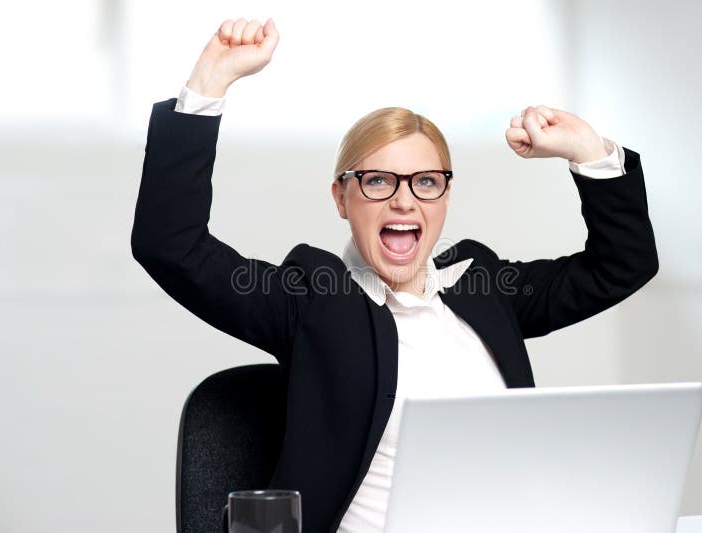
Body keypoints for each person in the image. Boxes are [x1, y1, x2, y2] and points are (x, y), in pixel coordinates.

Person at [130, 17, 659, 533]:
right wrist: (209, 85)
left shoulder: (480, 286)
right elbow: (172, 246)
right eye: (379, 180)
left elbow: (621, 264)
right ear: (342, 198)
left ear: (445, 196)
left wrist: (589, 152)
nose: (405, 200)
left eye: (426, 181)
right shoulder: (313, 299)